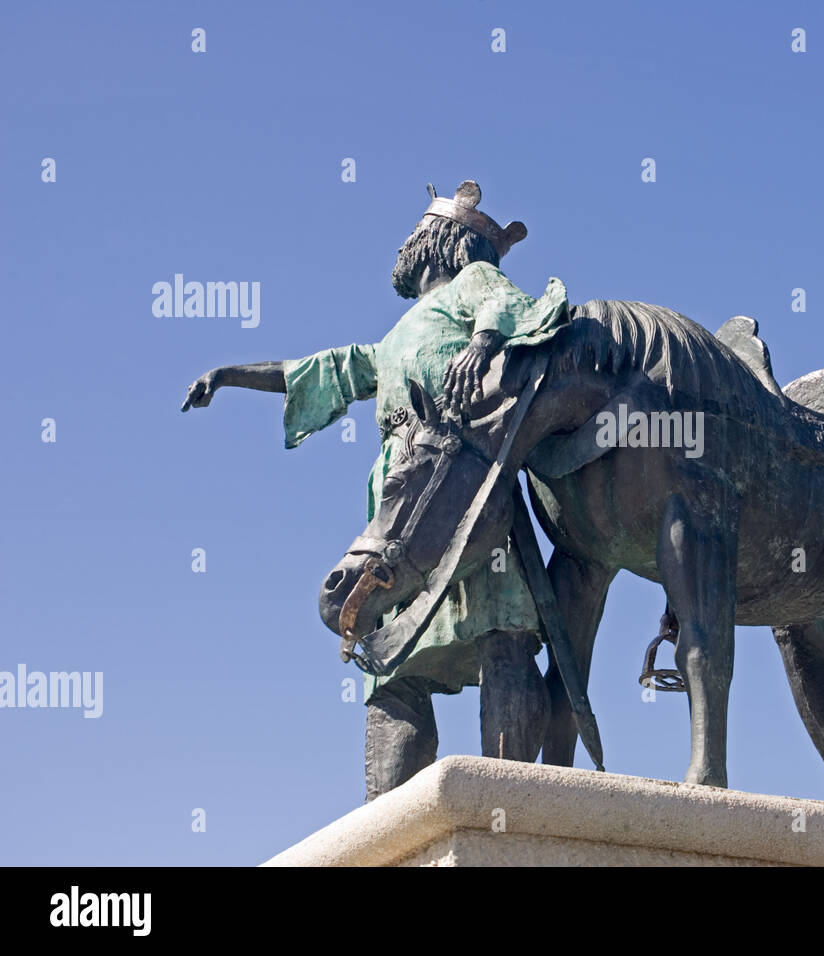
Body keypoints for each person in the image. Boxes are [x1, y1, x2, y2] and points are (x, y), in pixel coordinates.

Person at [182, 181, 569, 800]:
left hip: (462, 484)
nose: (406, 245)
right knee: (391, 659)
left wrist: (483, 341)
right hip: (400, 498)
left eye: (417, 234)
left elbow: (508, 304)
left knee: (502, 632)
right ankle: (390, 823)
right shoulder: (396, 338)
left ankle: (508, 805)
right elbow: (320, 369)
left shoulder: (472, 282)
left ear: (443, 241)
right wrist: (230, 375)